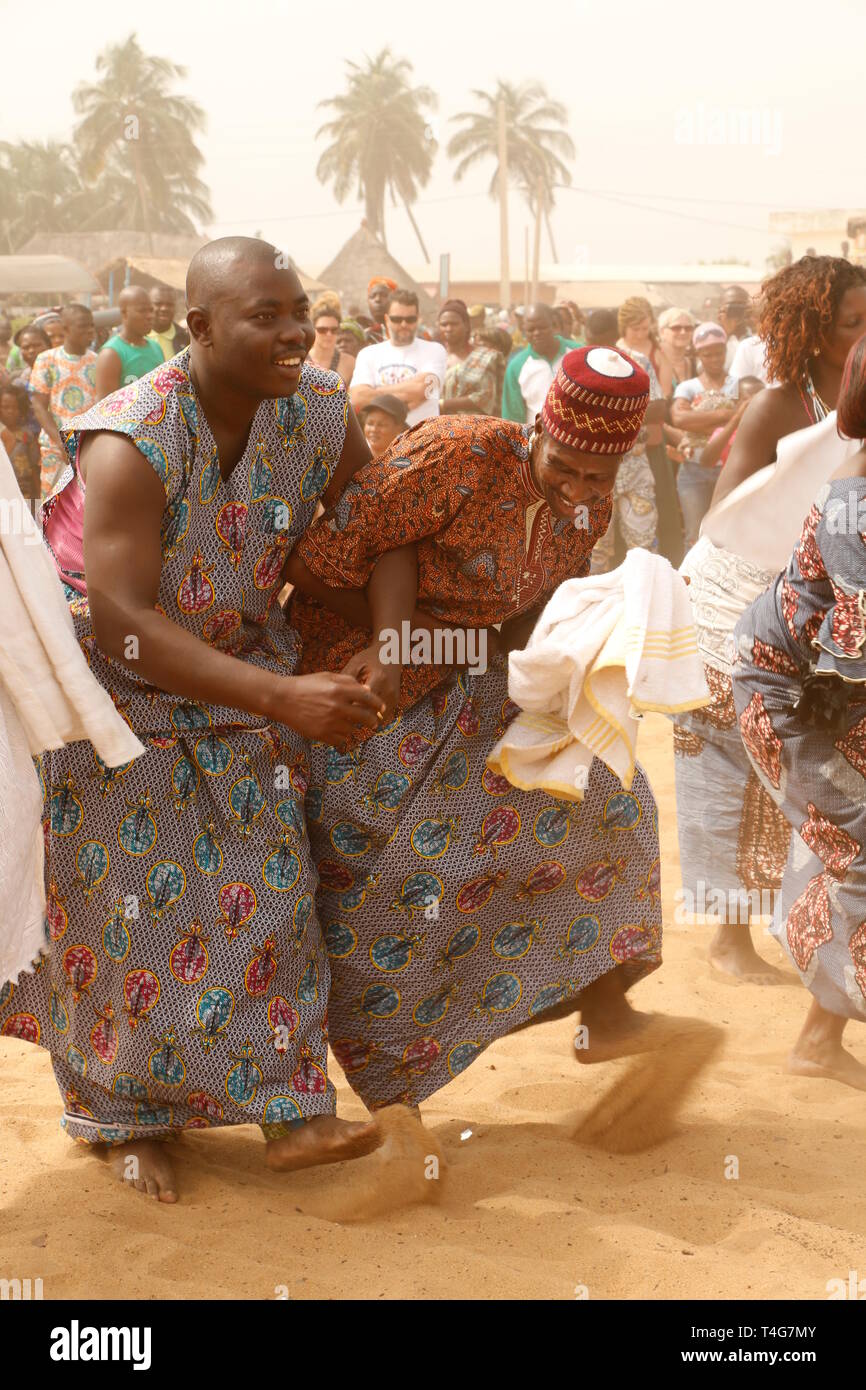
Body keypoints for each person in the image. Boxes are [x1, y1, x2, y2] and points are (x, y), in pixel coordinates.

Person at [2, 237, 387, 1203]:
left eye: (299, 309)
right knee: (125, 916)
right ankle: (125, 1122)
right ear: (200, 328)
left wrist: (388, 637)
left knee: (274, 889)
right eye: (266, 315)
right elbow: (124, 625)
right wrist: (284, 697)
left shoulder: (322, 410)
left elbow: (381, 526)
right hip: (114, 705)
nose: (295, 331)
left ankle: (295, 1113)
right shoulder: (128, 440)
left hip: (246, 685)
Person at [284, 347, 665, 1110]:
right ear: (538, 427)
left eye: (600, 475)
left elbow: (530, 618)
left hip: (469, 671)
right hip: (361, 675)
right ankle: (396, 1102)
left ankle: (606, 1011)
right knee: (399, 868)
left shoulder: (591, 506)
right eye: (567, 465)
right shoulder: (459, 451)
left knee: (608, 794)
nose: (580, 490)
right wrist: (403, 643)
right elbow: (317, 562)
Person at [673, 256, 866, 984]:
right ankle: (725, 943)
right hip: (735, 611)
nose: (865, 334)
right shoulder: (777, 407)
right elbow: (728, 520)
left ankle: (782, 936)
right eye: (853, 324)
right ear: (815, 333)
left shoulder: (854, 396)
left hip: (800, 616)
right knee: (719, 777)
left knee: (772, 786)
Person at [730, 334, 866, 1089]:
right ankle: (822, 1034)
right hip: (793, 697)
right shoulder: (858, 508)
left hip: (834, 690)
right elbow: (854, 652)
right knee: (858, 841)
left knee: (846, 843)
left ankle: (819, 1037)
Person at [590, 346, 667, 572]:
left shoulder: (637, 361)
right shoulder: (578, 364)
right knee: (592, 549)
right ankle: (593, 605)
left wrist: (606, 414)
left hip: (635, 472)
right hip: (593, 476)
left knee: (644, 549)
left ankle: (646, 602)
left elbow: (659, 409)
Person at [670, 322, 738, 549]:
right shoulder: (688, 387)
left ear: (725, 352)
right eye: (707, 355)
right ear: (698, 354)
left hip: (729, 471)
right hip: (693, 470)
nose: (714, 359)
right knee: (694, 537)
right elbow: (679, 419)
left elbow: (746, 421)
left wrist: (699, 422)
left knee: (727, 536)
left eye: (719, 353)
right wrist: (727, 416)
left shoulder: (738, 384)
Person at [28, 303, 98, 499]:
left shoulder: (98, 361)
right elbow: (39, 406)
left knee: (83, 510)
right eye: (83, 326)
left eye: (91, 325)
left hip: (87, 451)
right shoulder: (46, 360)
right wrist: (62, 444)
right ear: (66, 329)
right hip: (55, 450)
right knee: (53, 508)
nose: (90, 331)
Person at [350, 289, 447, 428]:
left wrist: (376, 393)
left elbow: (422, 389)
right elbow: (358, 397)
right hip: (381, 444)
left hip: (424, 439)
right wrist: (407, 397)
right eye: (397, 319)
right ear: (387, 319)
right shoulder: (368, 354)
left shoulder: (435, 350)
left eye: (410, 319)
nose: (404, 324)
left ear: (418, 318)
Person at [501, 303, 582, 423]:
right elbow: (512, 418)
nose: (536, 333)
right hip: (536, 439)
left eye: (542, 327)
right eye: (530, 330)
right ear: (523, 331)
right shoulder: (516, 367)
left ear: (553, 325)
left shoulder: (579, 354)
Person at [95, 286, 163, 398]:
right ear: (124, 313)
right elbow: (104, 409)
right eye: (142, 311)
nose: (150, 316)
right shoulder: (111, 354)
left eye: (151, 310)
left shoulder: (156, 347)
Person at [438, 298, 500, 416]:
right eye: (444, 324)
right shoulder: (434, 357)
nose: (448, 329)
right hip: (438, 429)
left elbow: (485, 397)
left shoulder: (484, 357)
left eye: (454, 324)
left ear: (466, 326)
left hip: (474, 429)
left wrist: (442, 404)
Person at [699, 375, 765, 470]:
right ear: (736, 403)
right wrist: (737, 418)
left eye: (759, 398)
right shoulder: (727, 431)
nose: (754, 403)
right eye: (746, 399)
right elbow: (706, 462)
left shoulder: (772, 426)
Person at [0, 383, 40, 500]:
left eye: (15, 407)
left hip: (24, 492)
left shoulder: (27, 435)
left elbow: (34, 468)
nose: (11, 411)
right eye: (6, 407)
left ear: (21, 409)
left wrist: (38, 495)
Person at [309, 300, 356, 384]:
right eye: (322, 330)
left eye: (334, 330)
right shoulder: (300, 360)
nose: (329, 334)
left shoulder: (350, 363)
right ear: (312, 330)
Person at [717, 285, 754, 372]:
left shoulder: (758, 339)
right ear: (720, 310)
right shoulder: (712, 339)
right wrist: (725, 333)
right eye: (731, 306)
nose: (737, 310)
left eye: (741, 305)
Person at [148, 285, 190, 361]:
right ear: (148, 305)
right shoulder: (135, 337)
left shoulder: (185, 339)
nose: (164, 308)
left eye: (169, 304)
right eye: (158, 304)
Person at [360, 392, 408, 457]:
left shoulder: (406, 460)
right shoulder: (355, 456)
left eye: (381, 425)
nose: (374, 429)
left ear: (399, 428)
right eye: (370, 423)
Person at [365, 276, 397, 344]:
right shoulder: (362, 337)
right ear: (367, 301)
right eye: (372, 296)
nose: (377, 299)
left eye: (384, 295)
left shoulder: (407, 332)